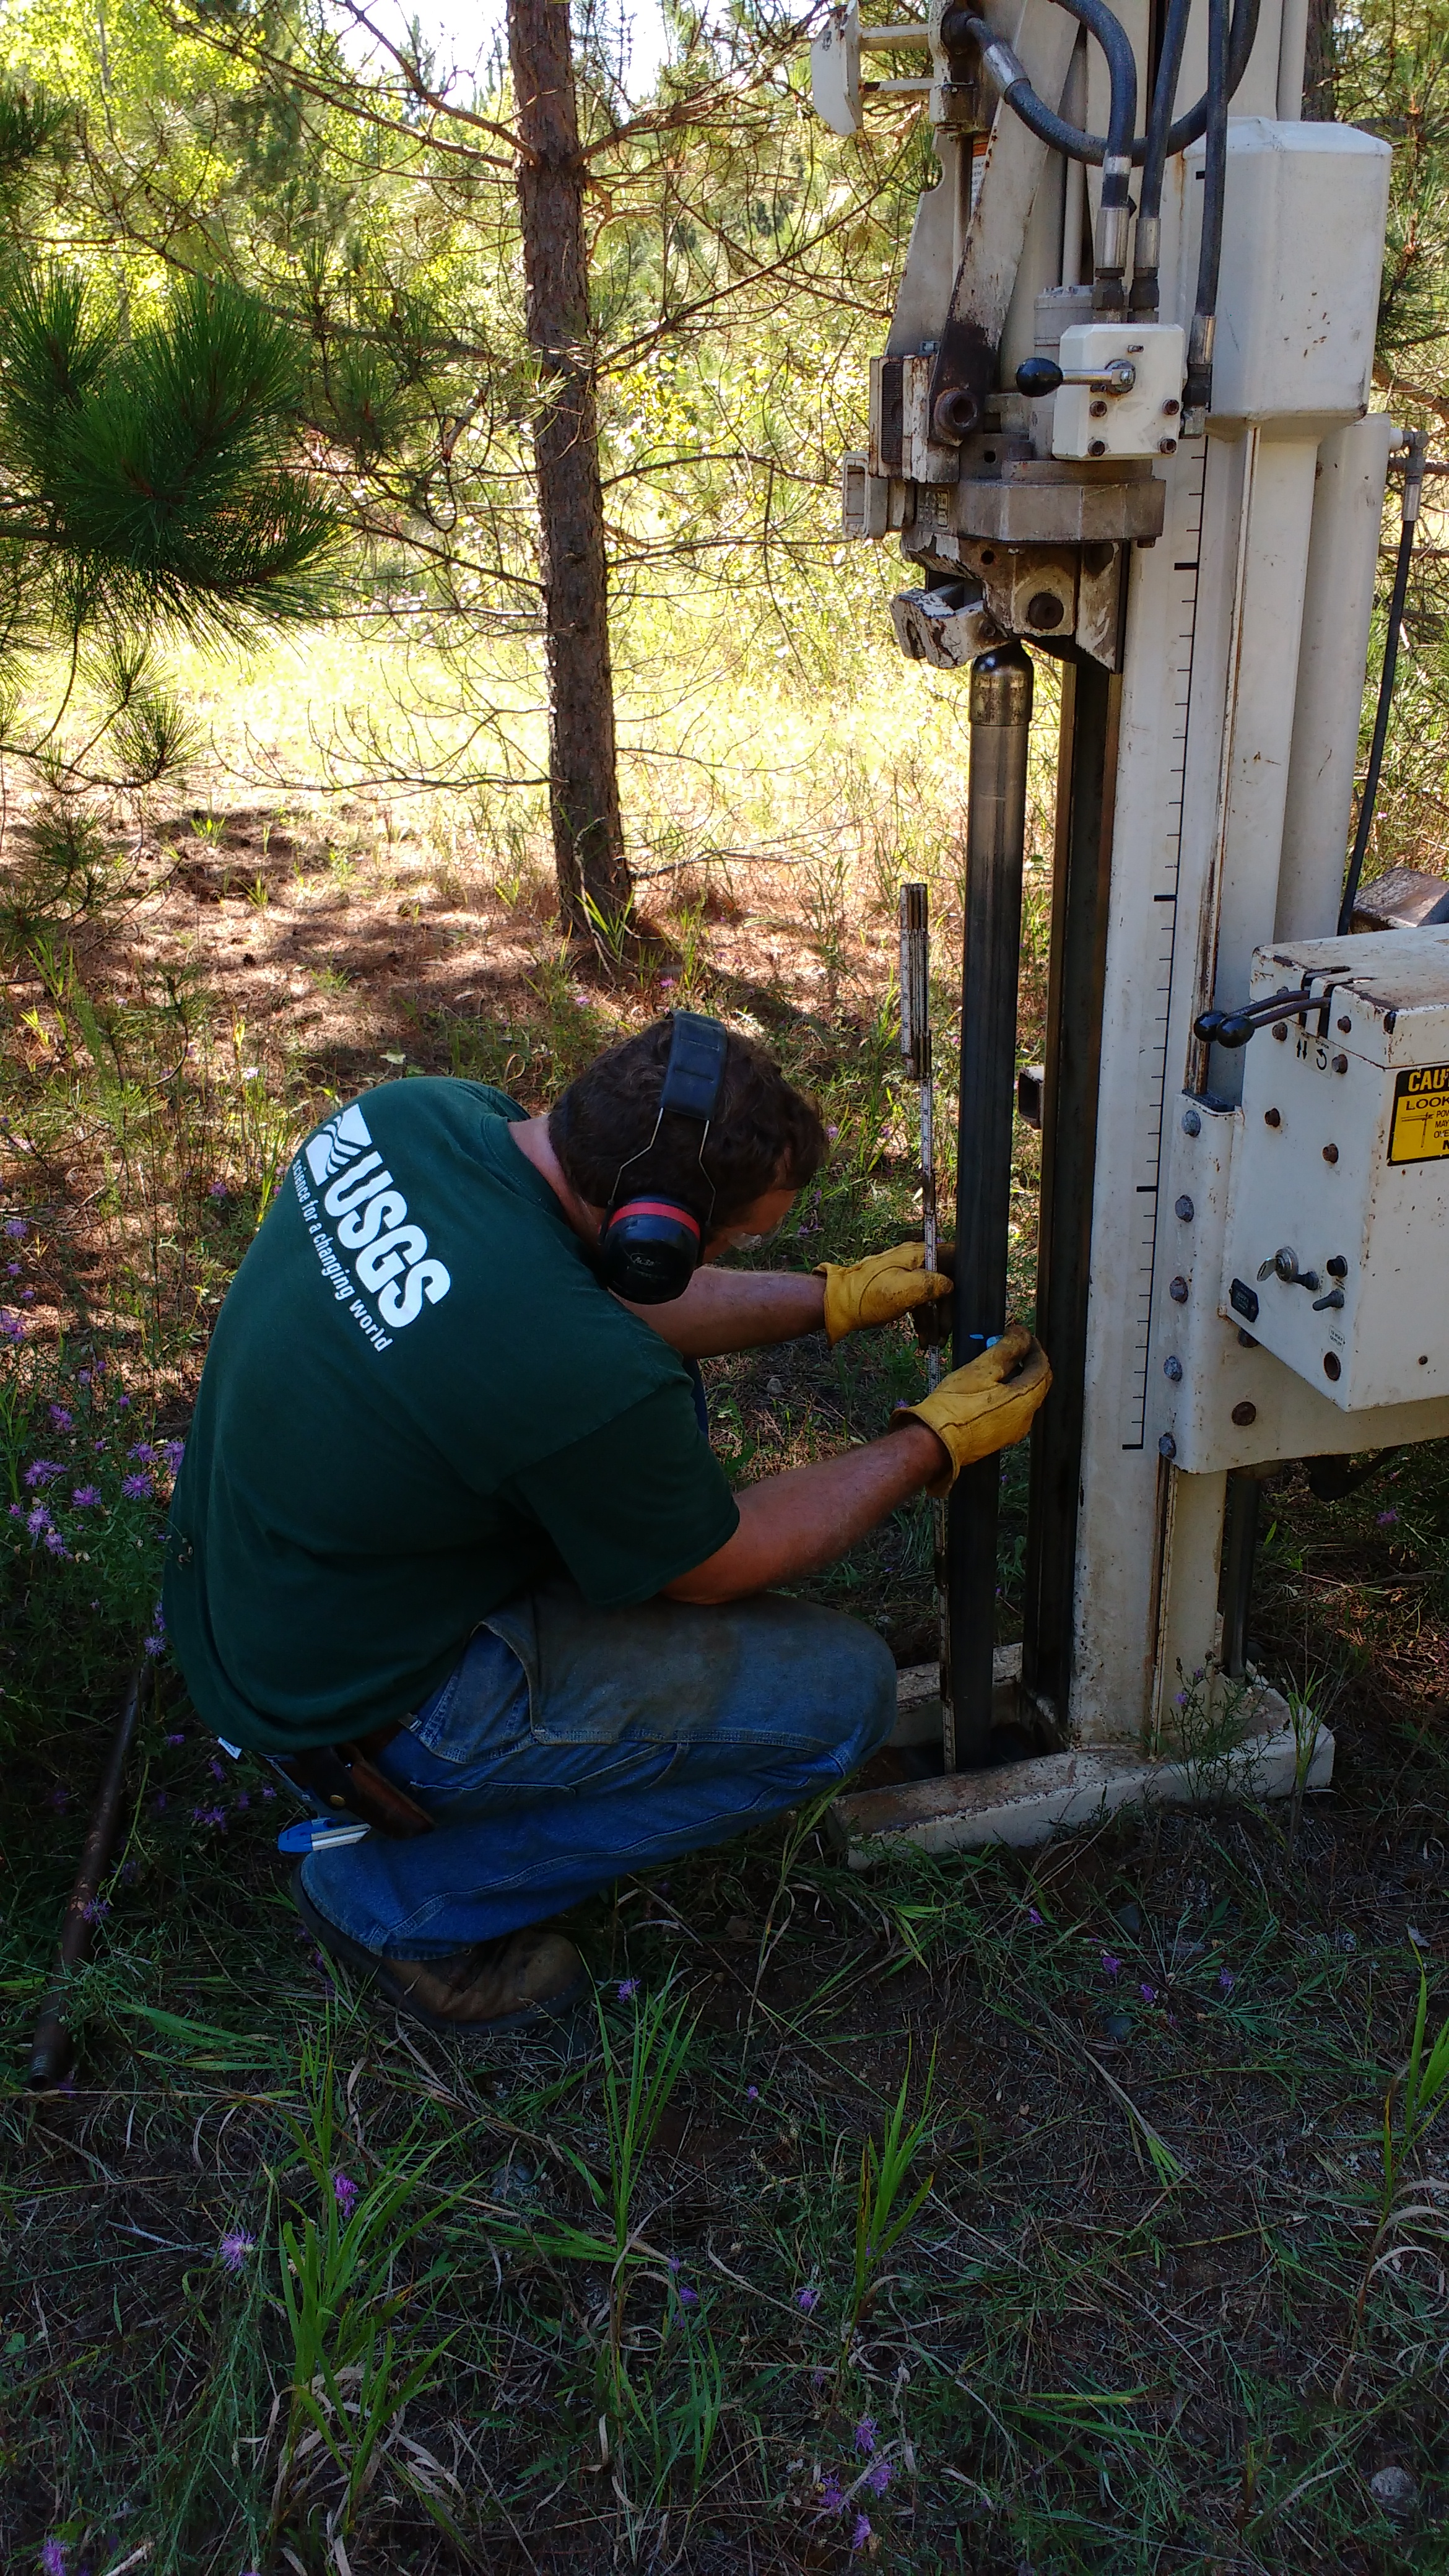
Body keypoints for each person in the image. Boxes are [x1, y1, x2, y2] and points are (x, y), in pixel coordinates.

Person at [164, 1013, 1049, 2034]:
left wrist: (830, 1300)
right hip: (359, 1702)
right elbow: (720, 1562)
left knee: (635, 1402)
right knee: (839, 1696)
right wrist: (926, 1444)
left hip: (251, 1602)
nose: (727, 1254)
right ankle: (403, 1901)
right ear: (653, 1237)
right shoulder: (566, 1364)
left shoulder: (420, 1116)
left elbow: (593, 1298)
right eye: (729, 1240)